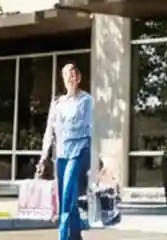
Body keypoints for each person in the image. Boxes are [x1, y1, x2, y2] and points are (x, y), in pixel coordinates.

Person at [37, 63, 93, 240]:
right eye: (67, 73)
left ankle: (63, 236)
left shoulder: (86, 101)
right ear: (63, 78)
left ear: (79, 78)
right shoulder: (58, 103)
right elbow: (49, 130)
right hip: (61, 154)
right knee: (66, 198)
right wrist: (44, 155)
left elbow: (94, 128)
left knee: (68, 195)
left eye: (74, 73)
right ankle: (75, 237)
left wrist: (100, 157)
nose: (70, 76)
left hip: (79, 151)